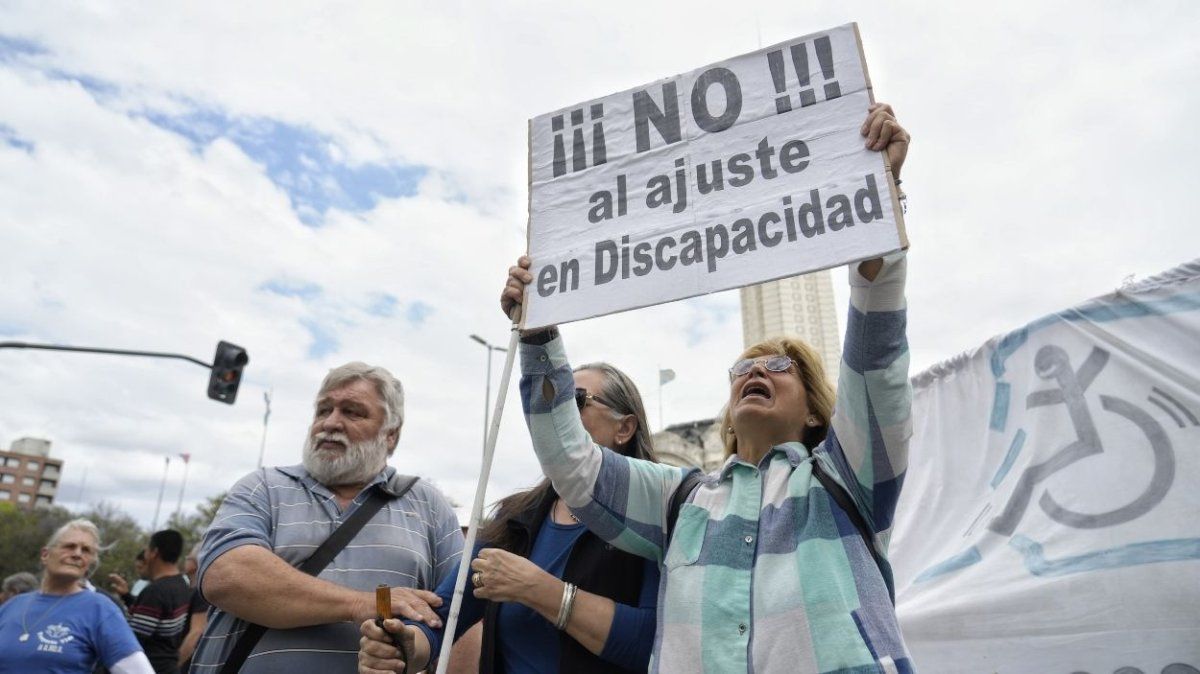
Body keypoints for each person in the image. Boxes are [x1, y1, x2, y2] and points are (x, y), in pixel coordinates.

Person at [493, 104, 914, 672]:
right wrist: (538, 334)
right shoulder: (681, 500)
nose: (755, 372)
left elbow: (875, 358)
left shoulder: (847, 478)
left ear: (817, 412)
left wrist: (876, 203)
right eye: (743, 368)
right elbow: (573, 462)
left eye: (780, 366)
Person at [359, 363, 661, 673]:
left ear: (624, 428)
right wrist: (404, 645)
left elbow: (656, 645)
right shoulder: (516, 519)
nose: (555, 414)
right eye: (551, 402)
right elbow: (444, 615)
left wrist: (540, 590)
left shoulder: (655, 523)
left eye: (575, 400)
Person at [191, 361, 464, 672]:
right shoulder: (263, 487)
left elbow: (461, 616)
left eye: (352, 412)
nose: (331, 423)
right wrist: (363, 603)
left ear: (391, 434)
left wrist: (411, 648)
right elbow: (226, 577)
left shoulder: (429, 506)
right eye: (323, 410)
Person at [0, 519, 154, 673]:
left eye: (86, 550)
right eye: (69, 546)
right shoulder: (12, 606)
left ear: (90, 562)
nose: (77, 554)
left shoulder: (99, 609)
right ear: (45, 554)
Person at [126, 530, 190, 674]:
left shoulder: (156, 591)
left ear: (154, 552)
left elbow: (132, 642)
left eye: (147, 550)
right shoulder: (181, 584)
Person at [176, 544, 208, 671]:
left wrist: (174, 666)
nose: (186, 560)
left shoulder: (200, 592)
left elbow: (196, 633)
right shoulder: (192, 590)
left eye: (188, 557)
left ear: (195, 562)